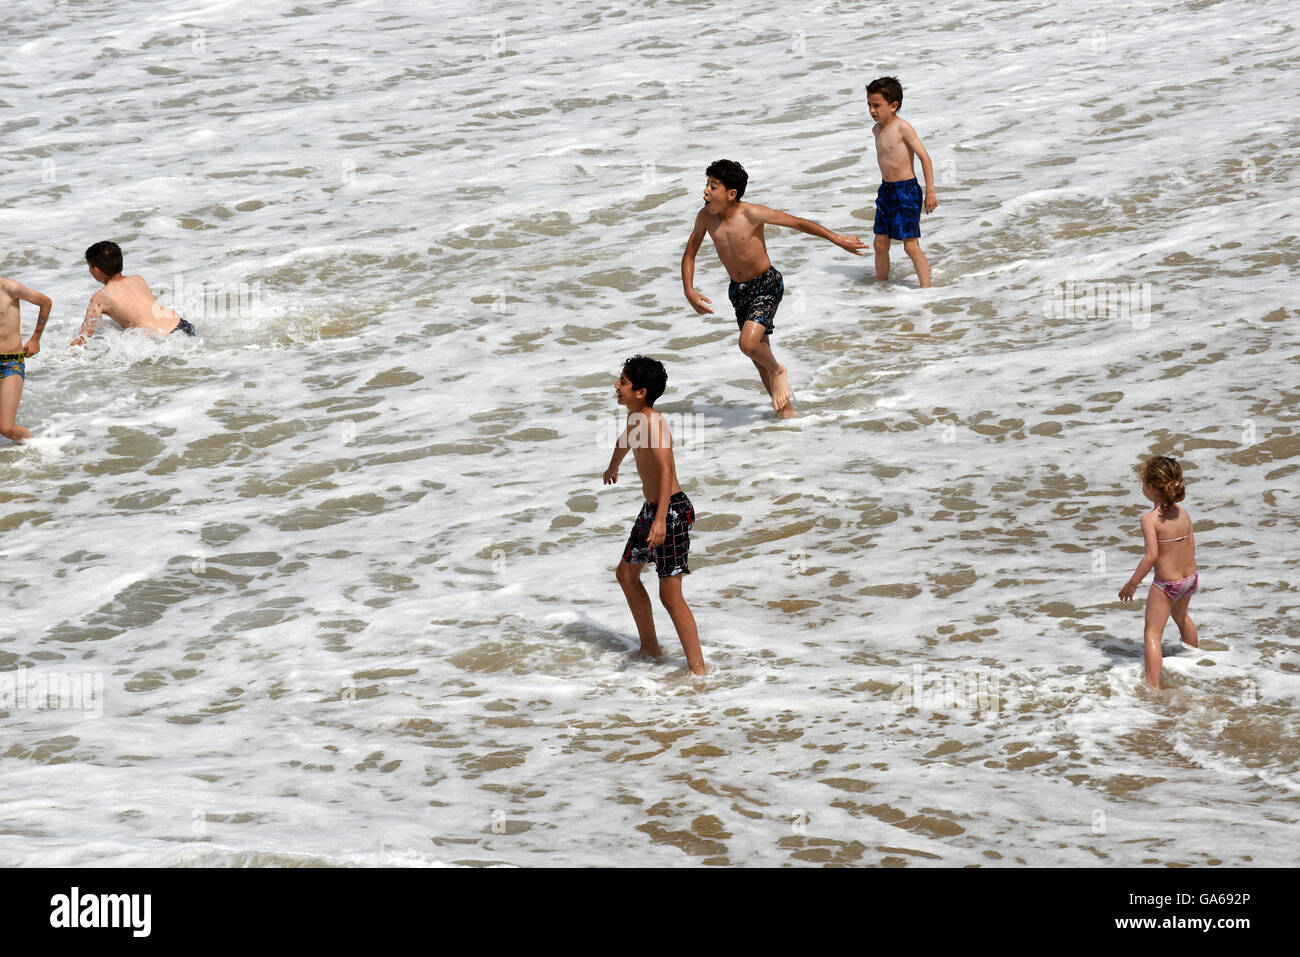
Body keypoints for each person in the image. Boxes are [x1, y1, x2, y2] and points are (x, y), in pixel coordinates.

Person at [681, 159, 865, 418]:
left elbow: (798, 223)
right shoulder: (705, 218)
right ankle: (786, 413)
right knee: (758, 358)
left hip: (766, 284)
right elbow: (690, 253)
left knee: (748, 344)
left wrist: (837, 238)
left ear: (732, 194)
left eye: (713, 187)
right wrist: (689, 290)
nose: (705, 192)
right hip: (739, 291)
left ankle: (779, 371)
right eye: (706, 185)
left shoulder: (752, 213)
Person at [602, 355, 705, 675]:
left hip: (670, 510)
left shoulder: (653, 422)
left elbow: (666, 469)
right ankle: (650, 646)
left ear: (641, 391)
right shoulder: (635, 418)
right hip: (653, 508)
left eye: (623, 382)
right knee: (626, 574)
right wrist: (614, 464)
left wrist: (660, 519)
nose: (617, 387)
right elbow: (625, 441)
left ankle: (698, 670)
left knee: (670, 596)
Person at [1118, 456, 1199, 688]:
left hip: (1167, 585)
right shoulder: (1183, 514)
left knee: (1152, 634)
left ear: (1151, 488)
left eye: (1143, 484)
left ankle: (1152, 688)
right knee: (1182, 618)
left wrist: (1132, 583)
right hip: (1189, 578)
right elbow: (1191, 548)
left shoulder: (1149, 519)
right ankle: (1196, 666)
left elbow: (1151, 556)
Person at [866, 76, 937, 287]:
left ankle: (927, 289)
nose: (872, 110)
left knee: (910, 245)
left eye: (877, 105)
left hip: (906, 191)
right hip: (886, 191)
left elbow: (925, 157)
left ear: (894, 105)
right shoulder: (876, 130)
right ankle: (881, 287)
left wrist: (930, 191)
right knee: (880, 244)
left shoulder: (903, 128)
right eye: (869, 105)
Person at [72, 241, 196, 347]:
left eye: (89, 267)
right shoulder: (138, 279)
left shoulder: (99, 298)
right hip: (181, 325)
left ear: (96, 271)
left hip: (161, 340)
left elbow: (84, 336)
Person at [0, 277, 52, 442]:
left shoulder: (9, 288)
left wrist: (35, 338)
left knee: (6, 428)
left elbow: (46, 302)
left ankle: (36, 448)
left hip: (11, 362)